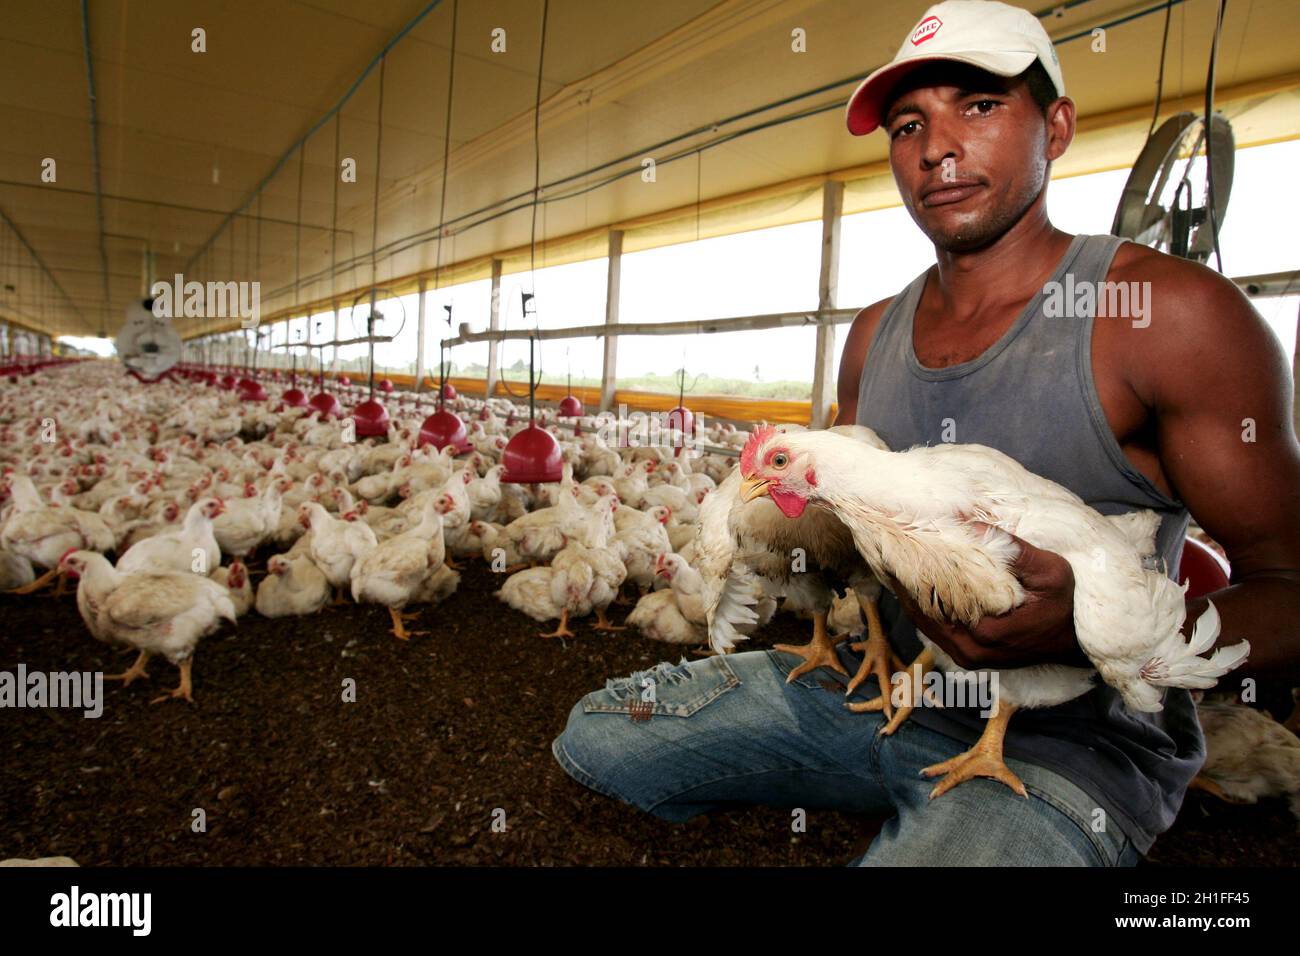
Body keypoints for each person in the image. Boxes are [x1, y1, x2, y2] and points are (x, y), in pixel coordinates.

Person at [550, 0, 1300, 865]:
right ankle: (902, 782)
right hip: (885, 686)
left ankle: (992, 817)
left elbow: (1290, 582)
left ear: (1055, 128)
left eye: (978, 106)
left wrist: (1098, 630)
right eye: (910, 124)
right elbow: (834, 535)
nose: (937, 146)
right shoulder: (873, 334)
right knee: (602, 736)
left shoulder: (1170, 315)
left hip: (1072, 740)